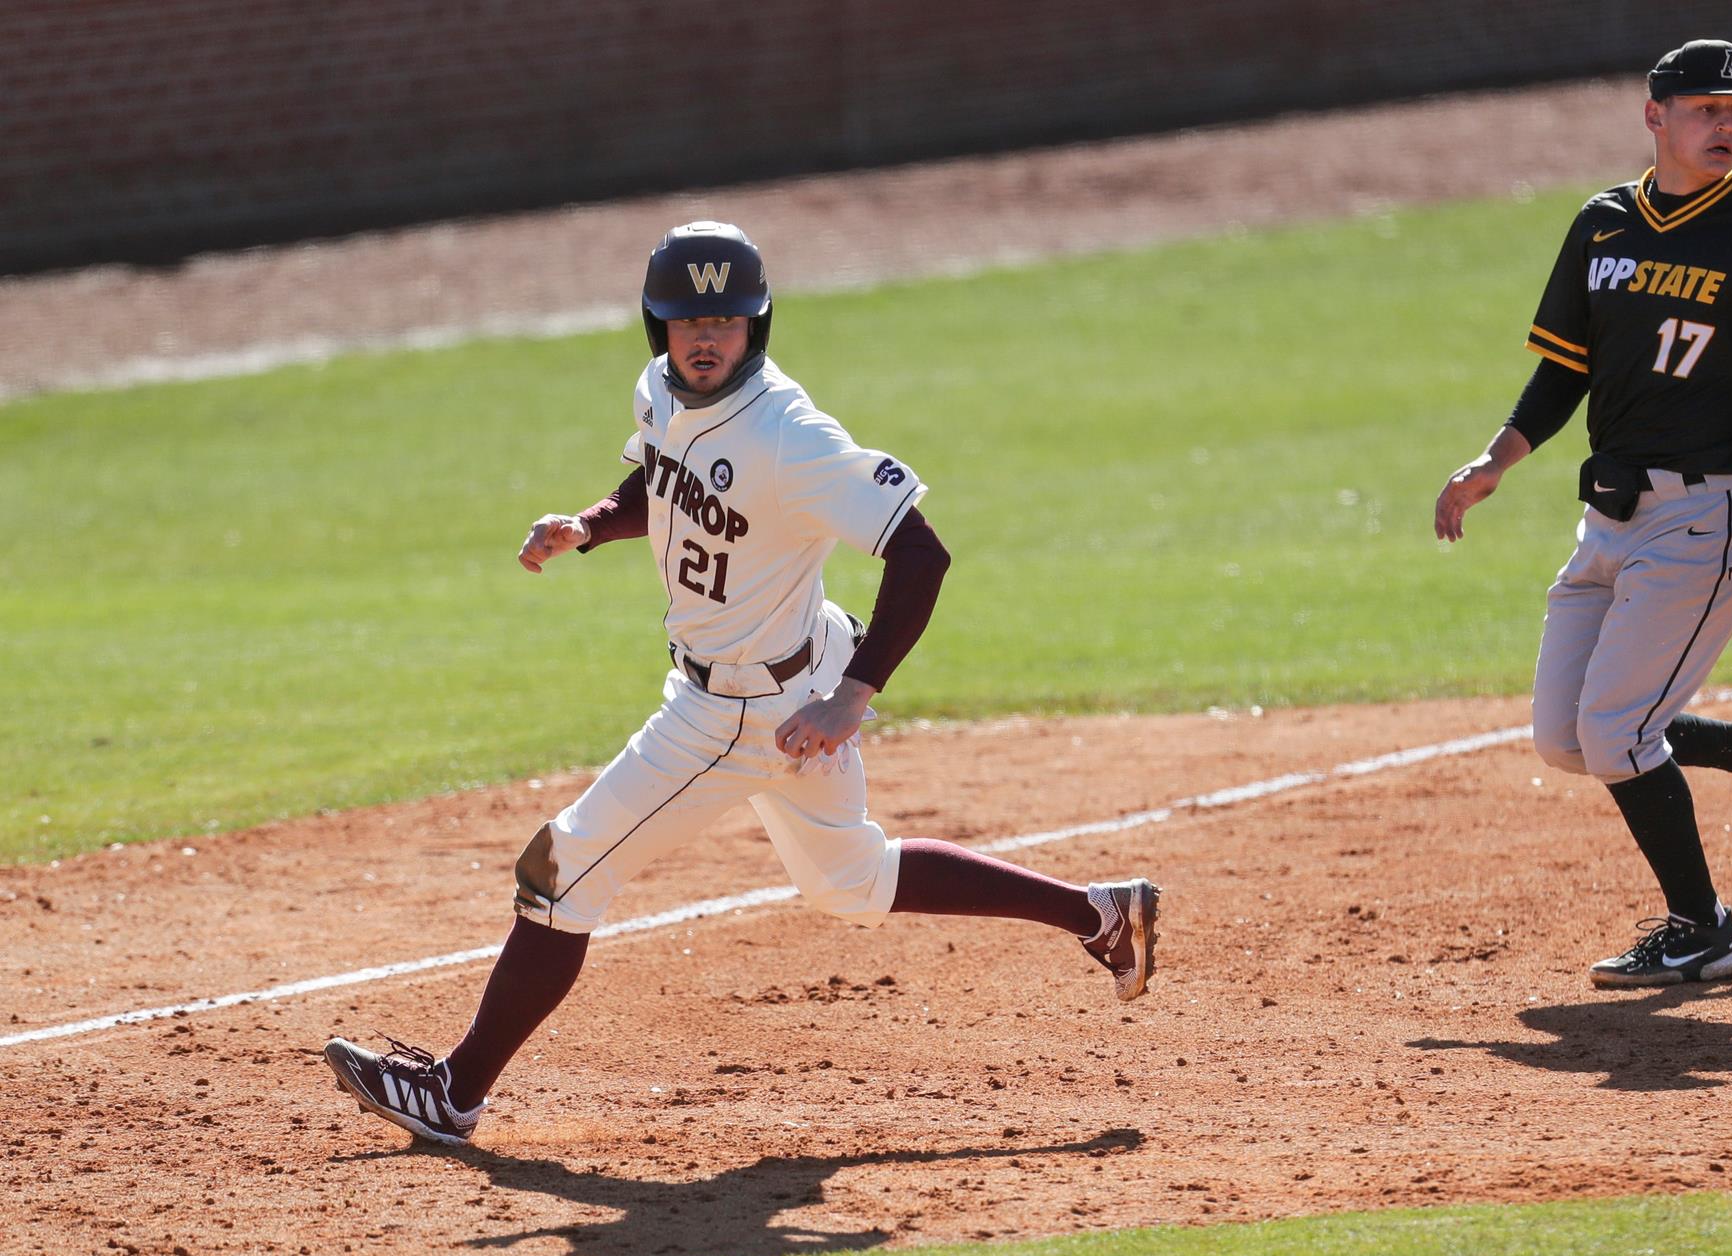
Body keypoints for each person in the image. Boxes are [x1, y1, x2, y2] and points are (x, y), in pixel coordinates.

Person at [326, 221, 1160, 1145]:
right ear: (660, 328)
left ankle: (454, 1092)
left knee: (561, 871)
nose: (706, 338)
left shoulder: (790, 435)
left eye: (725, 320)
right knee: (851, 880)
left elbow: (922, 553)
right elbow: (661, 484)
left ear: (755, 325)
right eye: (689, 322)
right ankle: (1098, 914)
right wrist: (589, 526)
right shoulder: (660, 391)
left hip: (738, 712)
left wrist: (854, 697)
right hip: (783, 676)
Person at [1431, 40, 1732, 988]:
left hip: (1705, 519)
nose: (1727, 126)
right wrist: (1495, 460)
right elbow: (1564, 369)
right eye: (1707, 109)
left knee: (1619, 733)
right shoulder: (1602, 226)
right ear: (1654, 115)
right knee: (1566, 737)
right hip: (1609, 520)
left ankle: (1705, 929)